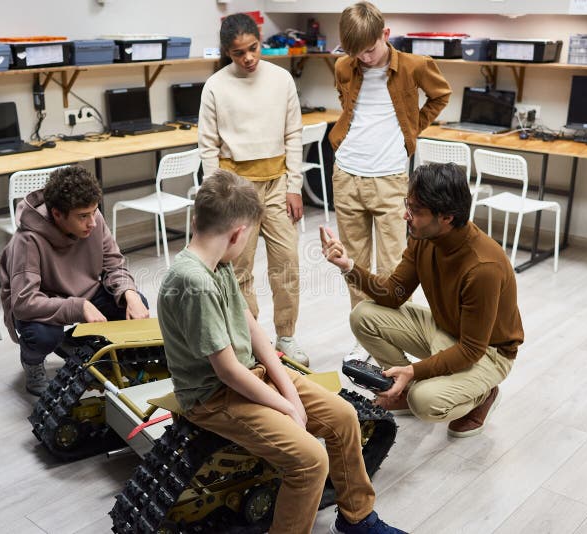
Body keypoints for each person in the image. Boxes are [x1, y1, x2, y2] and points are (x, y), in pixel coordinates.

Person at [158, 169, 405, 534]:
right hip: (213, 397)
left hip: (249, 375)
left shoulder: (219, 262)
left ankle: (357, 516)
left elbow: (251, 326)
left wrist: (289, 389)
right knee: (310, 461)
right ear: (239, 233)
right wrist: (287, 408)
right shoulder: (194, 282)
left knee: (342, 416)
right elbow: (226, 371)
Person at [322, 163, 523, 438]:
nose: (406, 215)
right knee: (363, 315)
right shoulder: (423, 236)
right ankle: (402, 390)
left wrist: (413, 371)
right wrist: (348, 267)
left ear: (447, 218)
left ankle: (484, 394)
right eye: (409, 205)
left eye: (415, 210)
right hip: (445, 328)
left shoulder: (483, 267)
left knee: (424, 402)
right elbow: (393, 294)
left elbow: (471, 350)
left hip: (488, 350)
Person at [330, 1, 452, 360]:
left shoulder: (414, 66)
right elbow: (346, 103)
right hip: (347, 173)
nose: (364, 58)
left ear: (385, 34)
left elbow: (441, 95)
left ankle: (393, 336)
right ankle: (363, 331)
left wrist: (410, 131)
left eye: (370, 49)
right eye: (356, 53)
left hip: (391, 179)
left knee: (394, 268)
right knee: (353, 264)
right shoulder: (343, 66)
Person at [198, 12, 309, 366]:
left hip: (278, 184)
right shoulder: (215, 85)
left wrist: (295, 186)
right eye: (237, 53)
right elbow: (208, 147)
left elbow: (294, 134)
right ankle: (250, 342)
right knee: (238, 271)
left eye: (253, 48)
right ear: (226, 52)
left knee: (287, 263)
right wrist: (217, 198)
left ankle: (287, 338)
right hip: (235, 190)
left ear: (261, 42)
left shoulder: (281, 79)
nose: (247, 58)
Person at [0, 166, 149, 395]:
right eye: (83, 216)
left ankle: (73, 344)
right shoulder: (27, 240)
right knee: (42, 335)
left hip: (85, 293)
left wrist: (130, 292)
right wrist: (78, 307)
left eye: (94, 212)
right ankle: (32, 361)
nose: (93, 223)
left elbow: (114, 264)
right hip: (44, 302)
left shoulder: (93, 218)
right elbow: (24, 302)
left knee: (135, 304)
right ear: (58, 214)